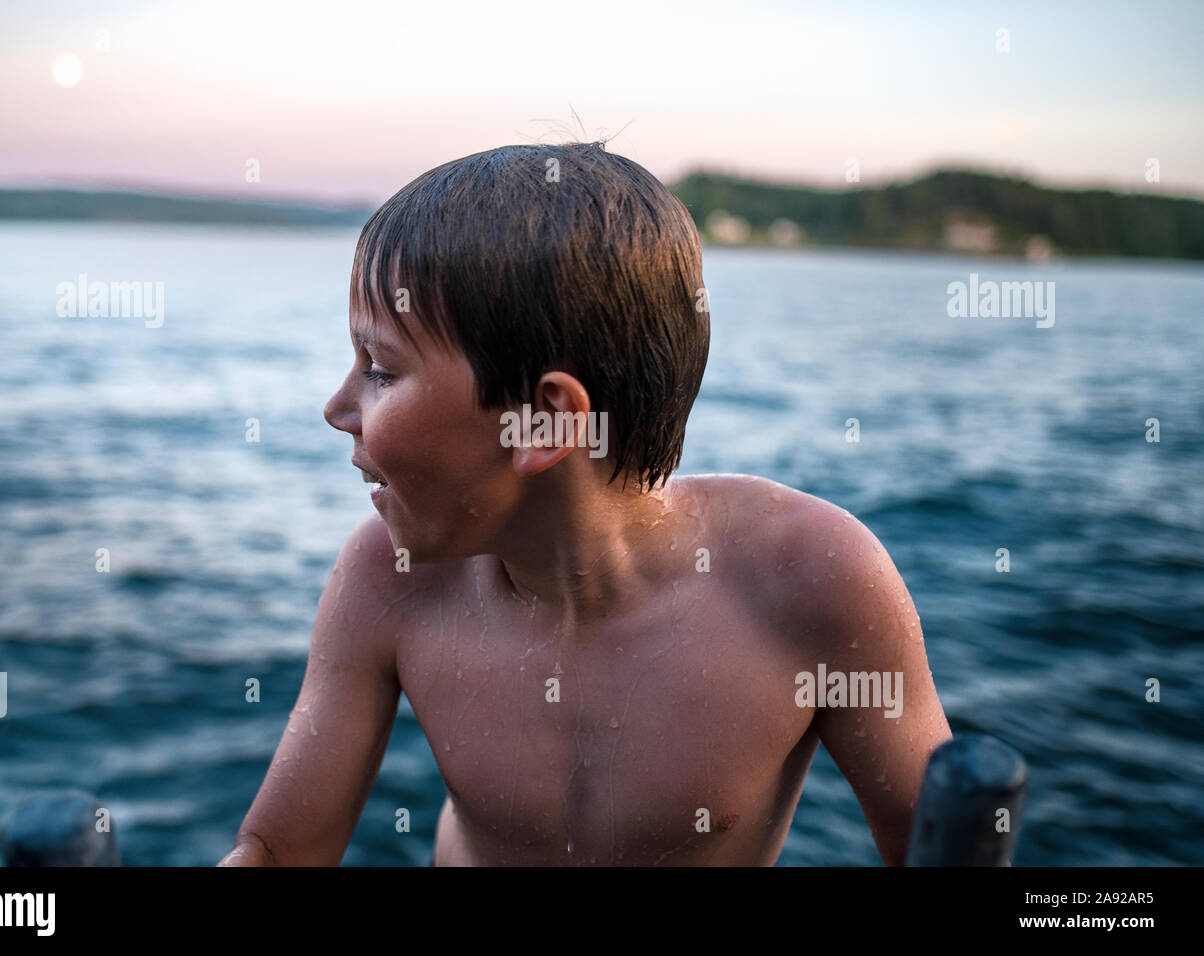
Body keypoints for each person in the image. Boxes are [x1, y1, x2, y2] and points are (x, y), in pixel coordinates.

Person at [218, 142, 952, 866]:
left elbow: (939, 850)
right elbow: (281, 851)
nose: (337, 407)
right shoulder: (387, 576)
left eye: (379, 370)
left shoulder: (815, 579)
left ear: (543, 422)